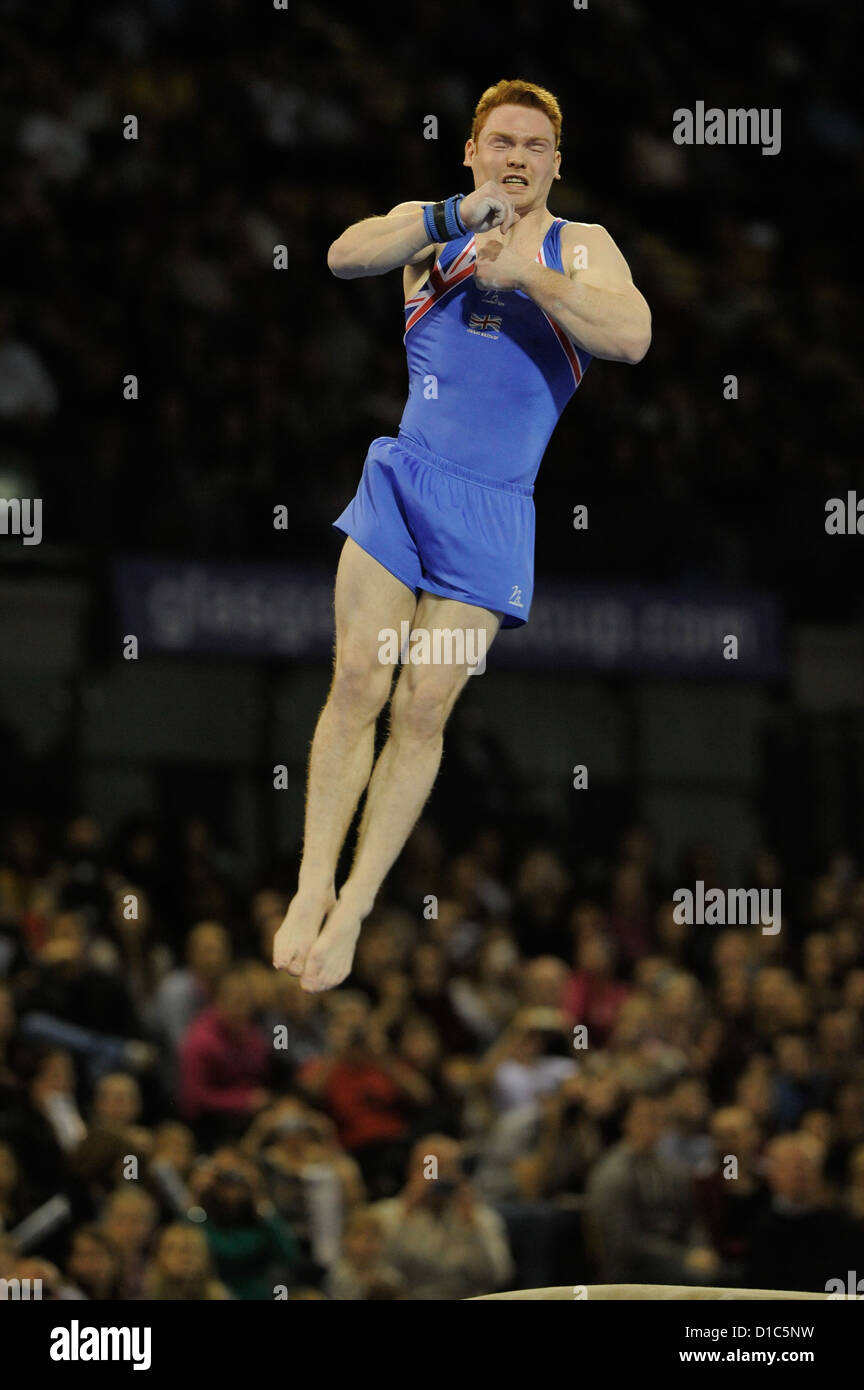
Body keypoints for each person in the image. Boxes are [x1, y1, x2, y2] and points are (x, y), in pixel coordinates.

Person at [273, 77, 650, 992]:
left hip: (493, 510)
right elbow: (341, 256)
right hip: (404, 479)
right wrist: (447, 216)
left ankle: (358, 902)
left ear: (557, 164)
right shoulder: (429, 222)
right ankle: (311, 881)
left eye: (535, 146)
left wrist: (531, 275)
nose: (517, 157)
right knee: (359, 675)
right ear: (471, 152)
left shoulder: (582, 246)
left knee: (425, 705)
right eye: (501, 143)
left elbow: (632, 337)